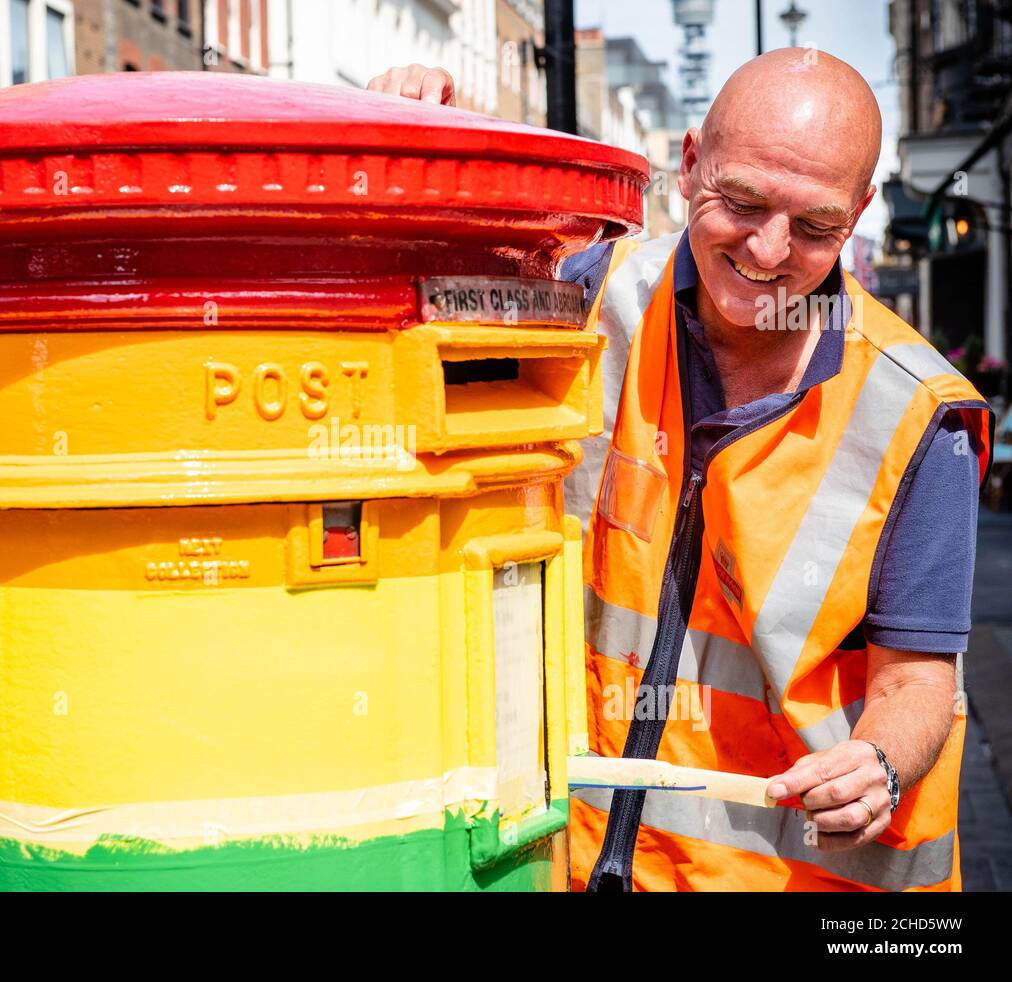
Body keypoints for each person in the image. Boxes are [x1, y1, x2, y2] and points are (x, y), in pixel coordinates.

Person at [367, 53, 992, 891]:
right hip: (572, 859)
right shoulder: (590, 301)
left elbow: (918, 678)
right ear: (689, 161)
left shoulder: (920, 415)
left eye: (815, 226)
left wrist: (878, 762)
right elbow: (415, 322)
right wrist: (415, 145)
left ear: (860, 214)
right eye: (741, 203)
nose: (769, 251)